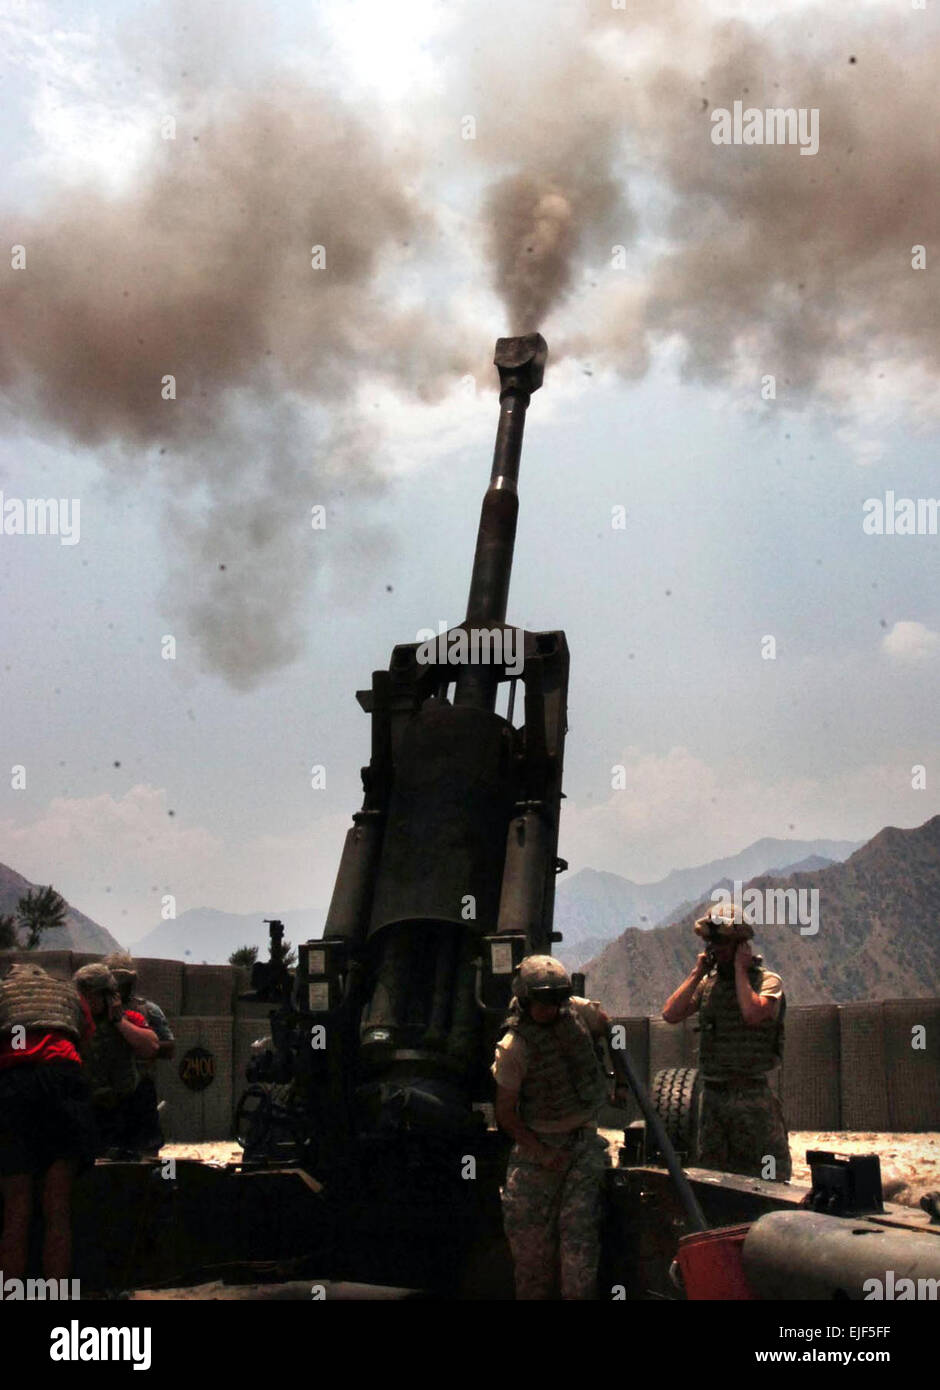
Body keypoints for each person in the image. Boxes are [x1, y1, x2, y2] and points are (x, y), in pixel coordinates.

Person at [492, 955, 612, 1300]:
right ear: (527, 1000)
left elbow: (609, 1028)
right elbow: (506, 1114)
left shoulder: (577, 1011)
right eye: (545, 1003)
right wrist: (543, 1154)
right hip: (537, 1150)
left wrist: (616, 1078)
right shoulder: (513, 1048)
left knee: (580, 1248)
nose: (553, 1010)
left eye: (558, 1001)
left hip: (582, 1146)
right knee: (531, 1258)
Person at [661, 902, 791, 1181]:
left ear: (741, 945)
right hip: (713, 1099)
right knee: (714, 1179)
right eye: (711, 942)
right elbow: (671, 1013)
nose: (714, 949)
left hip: (752, 1099)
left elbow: (753, 1013)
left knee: (769, 1179)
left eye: (721, 942)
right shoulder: (709, 985)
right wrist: (697, 973)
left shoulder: (768, 982)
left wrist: (741, 971)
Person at [0, 961, 98, 1280]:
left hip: (14, 1084)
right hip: (63, 1078)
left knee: (16, 1207)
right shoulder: (69, 993)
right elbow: (85, 1045)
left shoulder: (3, 993)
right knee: (58, 1205)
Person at [73, 963, 159, 1157]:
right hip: (93, 1107)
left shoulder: (130, 1018)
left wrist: (119, 1021)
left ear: (110, 996)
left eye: (92, 995)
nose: (86, 1000)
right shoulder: (75, 1023)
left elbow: (151, 1047)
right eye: (83, 994)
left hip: (127, 1104)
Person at [103, 952, 175, 1153]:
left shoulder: (148, 1010)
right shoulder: (97, 1010)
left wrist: (140, 1043)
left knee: (146, 1155)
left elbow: (169, 1048)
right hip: (107, 1092)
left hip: (140, 1091)